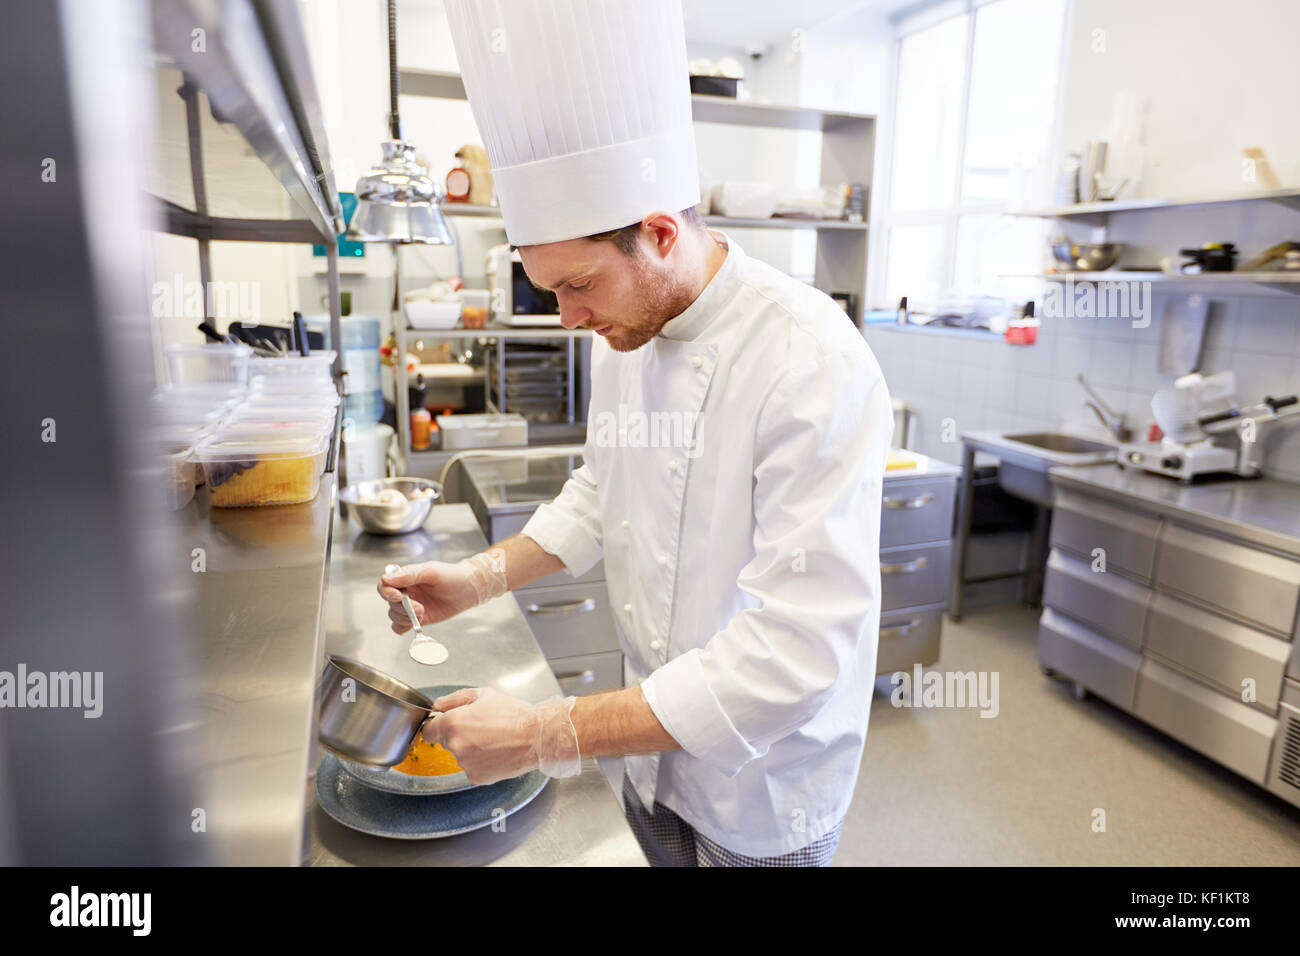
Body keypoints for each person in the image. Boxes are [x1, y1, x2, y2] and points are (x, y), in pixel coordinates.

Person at [377, 0, 893, 867]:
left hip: (764, 785)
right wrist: (475, 579)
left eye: (578, 285)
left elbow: (792, 659)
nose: (568, 318)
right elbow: (600, 490)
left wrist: (546, 733)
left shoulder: (810, 360)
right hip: (647, 743)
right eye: (548, 293)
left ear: (659, 232)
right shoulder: (627, 331)